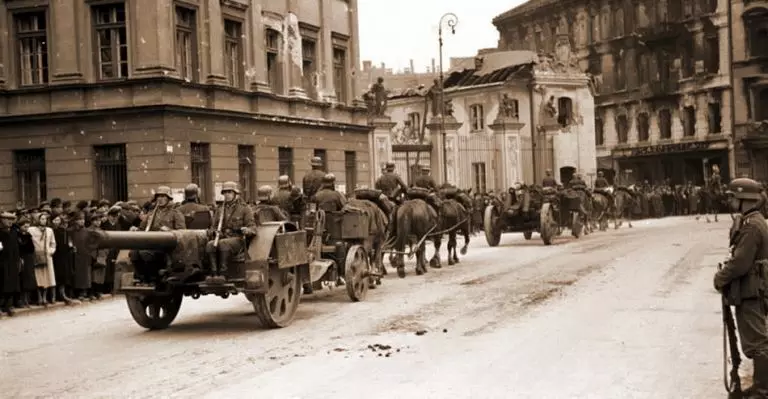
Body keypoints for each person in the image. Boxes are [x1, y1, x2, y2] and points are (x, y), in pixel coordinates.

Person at [714, 177, 768, 398]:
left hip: (751, 290)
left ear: (743, 199)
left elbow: (740, 263)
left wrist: (720, 277)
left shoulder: (752, 226)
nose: (730, 201)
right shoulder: (751, 221)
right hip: (749, 289)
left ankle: (762, 390)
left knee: (757, 342)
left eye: (732, 197)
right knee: (755, 340)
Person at [205, 181, 257, 283]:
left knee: (223, 244)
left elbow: (252, 227)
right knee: (210, 245)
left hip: (239, 240)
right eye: (225, 192)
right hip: (223, 238)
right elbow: (213, 227)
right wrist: (214, 232)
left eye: (229, 192)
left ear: (235, 194)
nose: (227, 195)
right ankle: (214, 274)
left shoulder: (245, 209)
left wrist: (247, 230)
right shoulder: (220, 209)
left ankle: (224, 274)